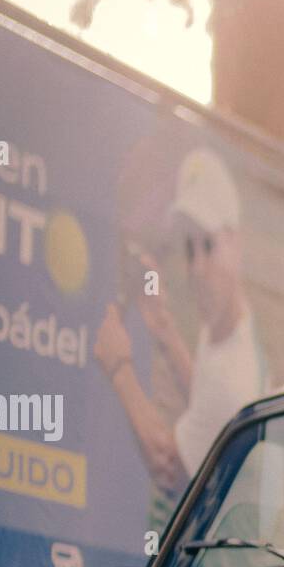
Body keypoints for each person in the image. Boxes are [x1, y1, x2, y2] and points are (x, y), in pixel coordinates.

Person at [94, 147, 266, 504]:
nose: (197, 268)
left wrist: (119, 368)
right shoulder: (229, 332)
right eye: (190, 249)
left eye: (208, 245)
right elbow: (210, 406)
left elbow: (168, 466)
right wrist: (163, 328)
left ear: (237, 242)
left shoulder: (232, 374)